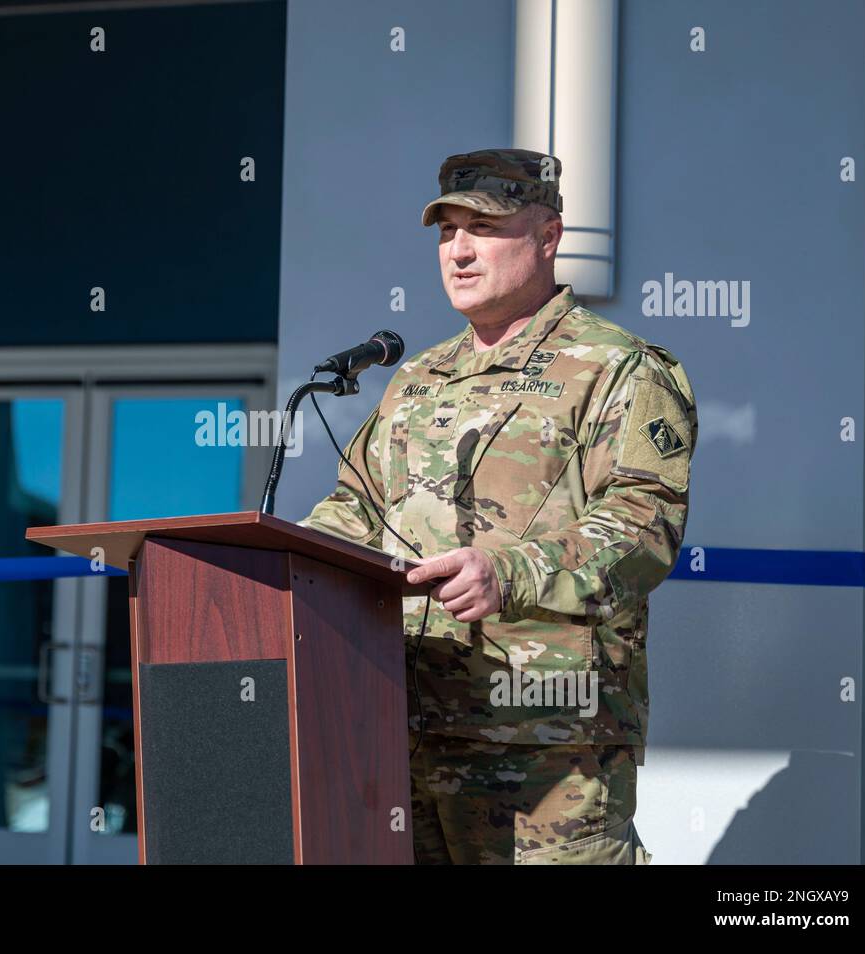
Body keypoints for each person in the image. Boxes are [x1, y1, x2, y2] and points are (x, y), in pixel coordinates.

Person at [299, 149, 698, 864]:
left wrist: (505, 572)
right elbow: (353, 511)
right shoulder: (418, 376)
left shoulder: (619, 369)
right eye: (446, 231)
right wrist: (273, 565)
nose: (458, 250)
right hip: (401, 726)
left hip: (544, 747)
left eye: (483, 227)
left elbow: (643, 531)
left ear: (548, 236)